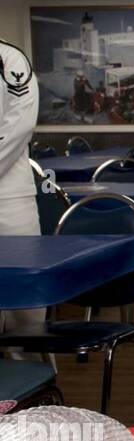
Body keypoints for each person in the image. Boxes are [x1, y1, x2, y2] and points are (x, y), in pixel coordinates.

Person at [0, 40, 42, 335]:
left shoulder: (9, 59)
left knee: (26, 309)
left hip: (9, 200)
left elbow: (18, 127)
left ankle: (39, 380)